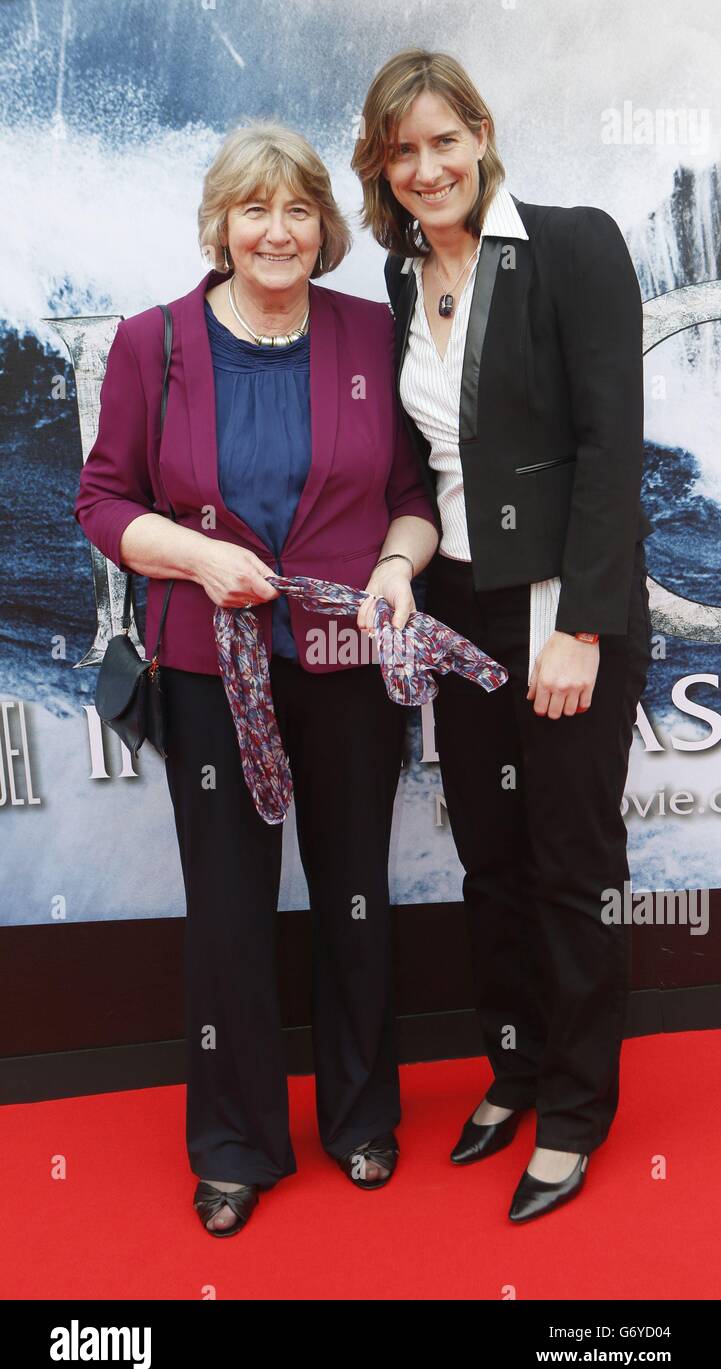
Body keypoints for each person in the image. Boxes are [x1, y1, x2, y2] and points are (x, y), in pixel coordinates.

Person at [74, 121, 439, 1236]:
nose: (276, 232)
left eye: (297, 210)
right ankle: (233, 1144)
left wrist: (394, 566)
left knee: (355, 892)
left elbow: (415, 498)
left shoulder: (373, 333)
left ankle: (361, 1116)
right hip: (205, 670)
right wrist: (197, 557)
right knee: (229, 912)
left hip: (344, 661)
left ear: (324, 226)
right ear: (219, 226)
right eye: (252, 210)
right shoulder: (153, 342)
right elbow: (102, 502)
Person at [352, 49, 653, 1223]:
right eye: (403, 150)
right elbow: (426, 471)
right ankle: (515, 1065)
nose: (427, 167)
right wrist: (398, 566)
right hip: (459, 609)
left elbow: (611, 451)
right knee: (489, 857)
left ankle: (575, 1108)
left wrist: (580, 625)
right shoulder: (398, 280)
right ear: (382, 166)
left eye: (445, 140)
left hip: (561, 608)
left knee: (570, 866)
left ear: (480, 134)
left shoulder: (573, 246)